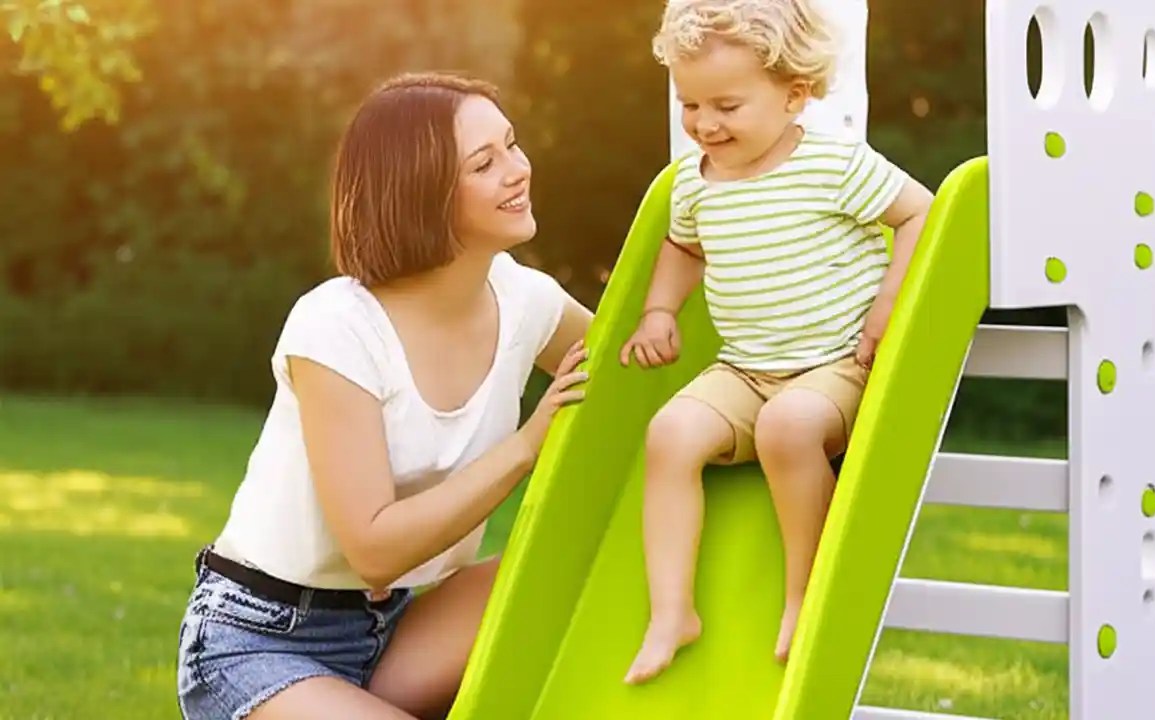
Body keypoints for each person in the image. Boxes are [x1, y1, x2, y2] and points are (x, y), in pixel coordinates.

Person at [175, 72, 593, 720]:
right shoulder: (336, 326)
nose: (518, 171)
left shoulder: (526, 301)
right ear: (424, 195)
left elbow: (640, 379)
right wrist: (526, 447)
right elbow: (374, 547)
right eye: (486, 163)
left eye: (512, 145)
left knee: (574, 567)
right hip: (259, 638)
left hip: (396, 627)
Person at [619, 0, 935, 684]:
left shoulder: (834, 163)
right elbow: (682, 246)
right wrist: (659, 311)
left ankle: (803, 594)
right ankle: (672, 612)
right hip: (744, 370)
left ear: (794, 96)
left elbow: (920, 213)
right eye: (690, 104)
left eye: (727, 106)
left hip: (836, 366)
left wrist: (888, 309)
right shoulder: (694, 182)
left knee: (787, 429)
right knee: (668, 433)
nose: (705, 123)